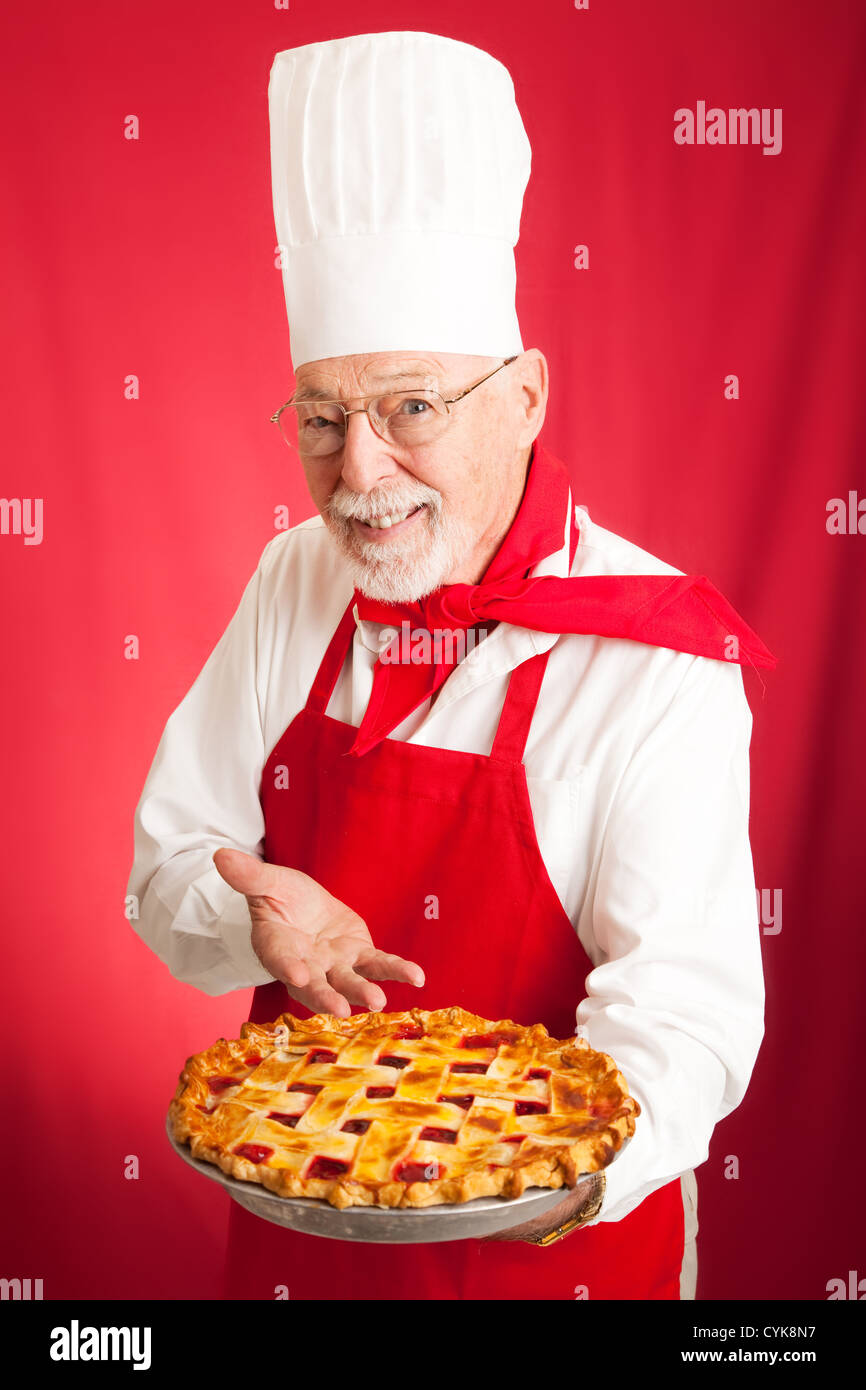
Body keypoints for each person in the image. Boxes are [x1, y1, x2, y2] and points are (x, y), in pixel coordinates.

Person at [127, 31, 773, 1300]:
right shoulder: (290, 583)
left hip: (558, 1263)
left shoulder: (657, 655)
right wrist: (254, 918)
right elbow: (164, 870)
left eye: (410, 407)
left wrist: (488, 1163)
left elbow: (682, 1020)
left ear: (523, 398)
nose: (357, 474)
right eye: (320, 417)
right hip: (295, 1223)